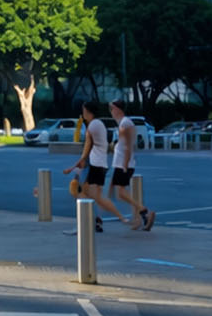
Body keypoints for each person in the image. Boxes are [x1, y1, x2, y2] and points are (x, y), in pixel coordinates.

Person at [66, 102, 127, 233]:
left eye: (83, 110)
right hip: (100, 164)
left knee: (80, 191)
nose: (82, 113)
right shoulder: (98, 124)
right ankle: (97, 221)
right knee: (93, 195)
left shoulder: (92, 125)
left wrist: (75, 167)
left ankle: (86, 223)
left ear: (88, 111)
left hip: (93, 164)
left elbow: (87, 148)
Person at [109, 99, 155, 231]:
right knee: (121, 193)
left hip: (124, 163)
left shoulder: (125, 123)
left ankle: (144, 211)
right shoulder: (124, 123)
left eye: (112, 109)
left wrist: (124, 164)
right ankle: (141, 217)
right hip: (121, 163)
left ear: (118, 109)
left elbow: (129, 145)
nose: (111, 112)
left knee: (121, 193)